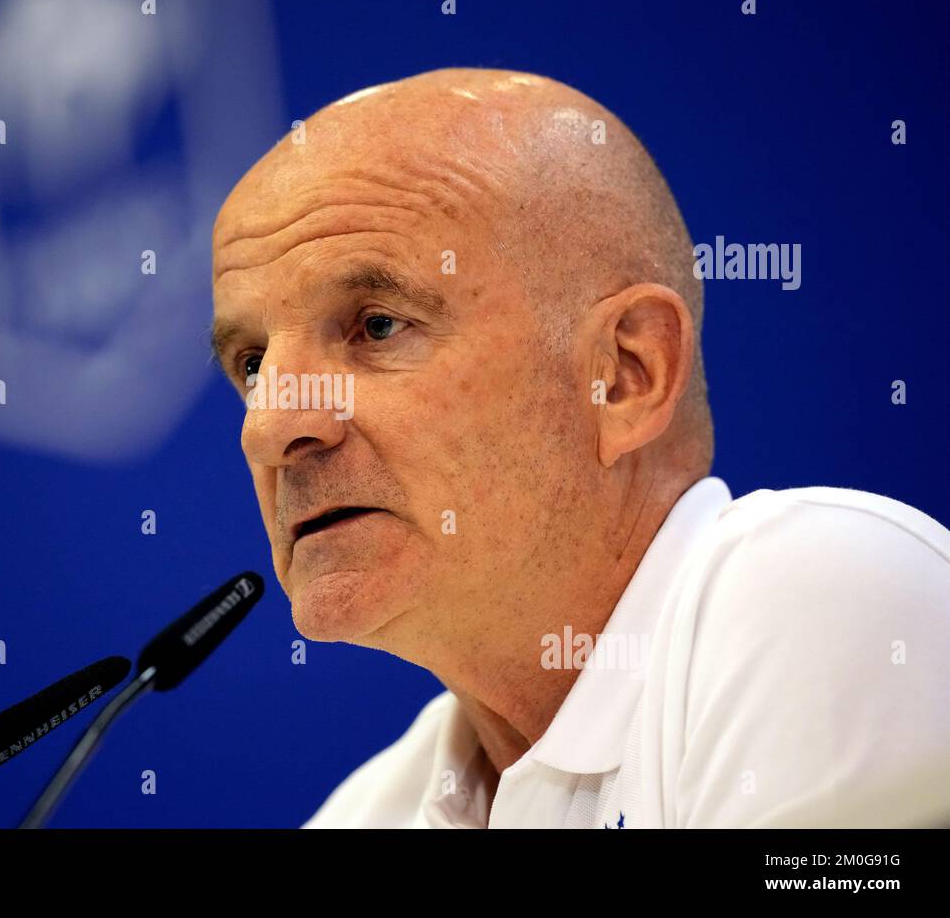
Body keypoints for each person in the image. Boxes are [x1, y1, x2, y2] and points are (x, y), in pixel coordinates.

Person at [208, 67, 950, 827]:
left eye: (377, 325)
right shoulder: (366, 815)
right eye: (254, 365)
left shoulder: (823, 599)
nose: (269, 428)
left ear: (627, 375)